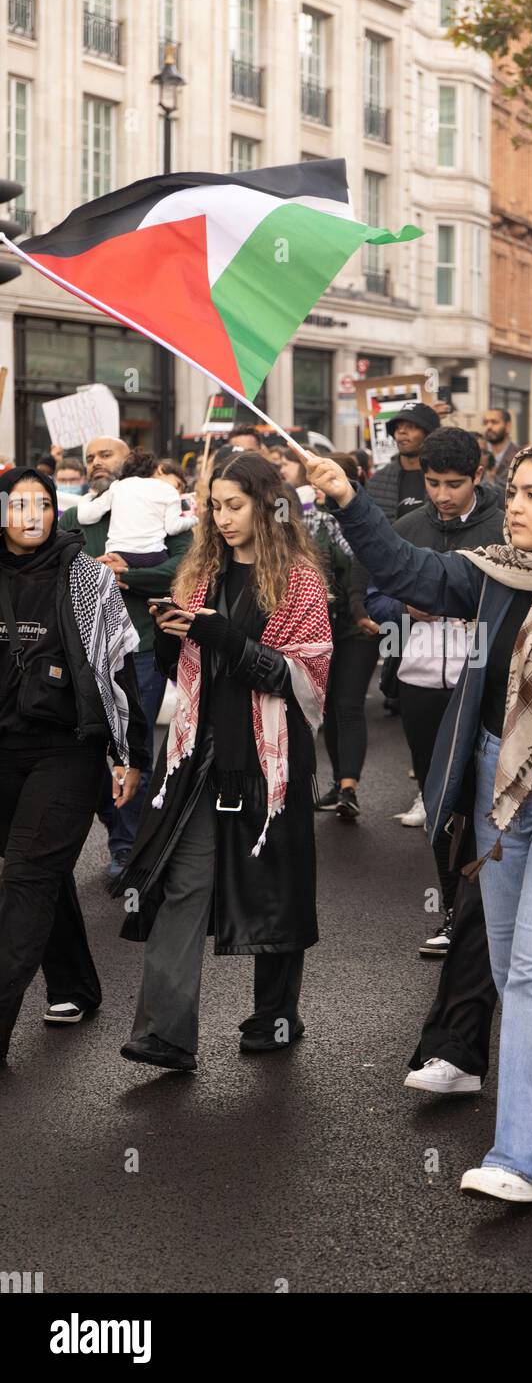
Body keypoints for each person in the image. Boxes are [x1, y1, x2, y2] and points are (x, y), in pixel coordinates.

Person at [305, 445, 532, 1203]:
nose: (519, 507)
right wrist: (345, 499)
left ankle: (524, 1159)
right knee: (509, 969)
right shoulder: (498, 574)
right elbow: (406, 571)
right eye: (516, 493)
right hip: (500, 796)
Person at [114, 452, 332, 1072]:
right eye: (215, 504)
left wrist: (217, 636)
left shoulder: (300, 580)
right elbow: (177, 671)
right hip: (199, 751)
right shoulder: (201, 570)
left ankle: (275, 1017)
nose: (222, 516)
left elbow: (301, 680)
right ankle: (166, 1033)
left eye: (235, 504)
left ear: (268, 505)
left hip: (273, 755)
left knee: (275, 888)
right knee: (182, 881)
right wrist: (171, 633)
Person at [0, 466, 147, 1061]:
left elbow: (119, 667)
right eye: (17, 504)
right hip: (3, 750)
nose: (30, 515)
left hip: (67, 747)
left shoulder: (85, 576)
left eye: (41, 504)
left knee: (28, 875)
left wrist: (129, 754)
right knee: (39, 865)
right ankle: (75, 986)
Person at [366, 427, 504, 954]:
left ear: (478, 477)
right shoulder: (406, 526)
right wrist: (406, 609)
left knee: (488, 799)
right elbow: (373, 601)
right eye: (432, 483)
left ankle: (492, 914)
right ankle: (453, 914)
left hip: (485, 681)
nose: (442, 495)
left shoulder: (503, 524)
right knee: (439, 799)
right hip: (422, 683)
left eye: (454, 484)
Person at [59, 436, 194, 879]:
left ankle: (127, 847)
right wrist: (94, 572)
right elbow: (52, 567)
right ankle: (117, 821)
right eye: (90, 457)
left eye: (106, 455)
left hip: (142, 649)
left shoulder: (156, 505)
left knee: (133, 749)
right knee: (87, 749)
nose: (97, 462)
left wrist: (129, 576)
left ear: (131, 461)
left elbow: (185, 566)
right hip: (82, 651)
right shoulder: (77, 516)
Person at [306, 453, 380, 821]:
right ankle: (338, 783)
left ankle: (349, 786)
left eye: (327, 481)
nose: (319, 489)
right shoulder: (306, 517)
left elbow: (370, 561)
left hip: (359, 625)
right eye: (316, 482)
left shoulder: (365, 517)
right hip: (321, 624)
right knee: (330, 704)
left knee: (349, 702)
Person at [76, 448, 197, 567]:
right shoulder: (169, 491)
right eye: (179, 485)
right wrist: (194, 520)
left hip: (117, 553)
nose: (179, 491)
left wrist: (87, 497)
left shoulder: (117, 486)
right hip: (154, 556)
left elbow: (85, 516)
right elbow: (173, 528)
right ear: (158, 469)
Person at [366, 400, 441, 522]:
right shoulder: (378, 480)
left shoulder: (445, 477)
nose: (401, 431)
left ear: (429, 434)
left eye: (410, 427)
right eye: (397, 427)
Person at [483, 409, 519, 489]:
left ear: (508, 426)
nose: (488, 427)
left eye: (494, 422)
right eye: (485, 423)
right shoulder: (480, 455)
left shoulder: (519, 457)